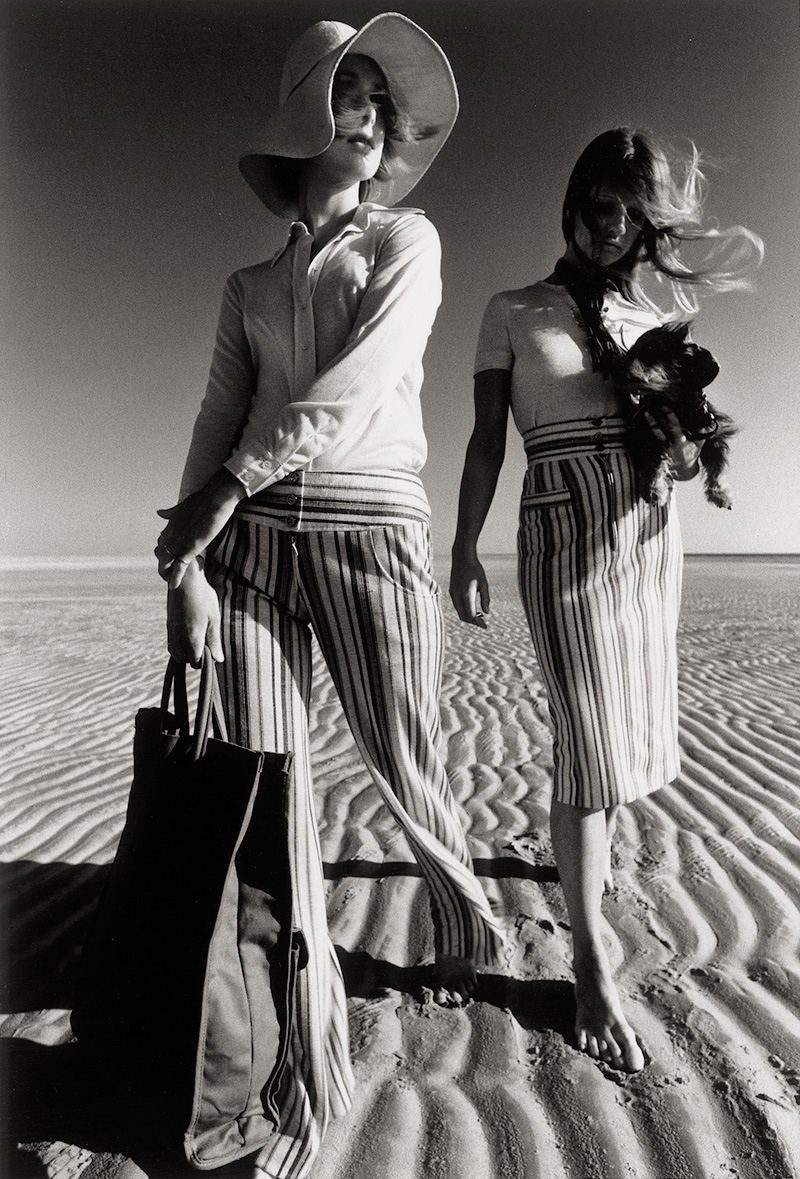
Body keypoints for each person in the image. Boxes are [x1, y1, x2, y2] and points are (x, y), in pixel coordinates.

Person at [155, 14, 503, 1179]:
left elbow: (355, 393)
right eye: (338, 93)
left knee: (404, 759)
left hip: (367, 529)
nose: (362, 112)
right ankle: (300, 1058)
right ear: (303, 120)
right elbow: (214, 417)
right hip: (247, 542)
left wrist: (226, 491)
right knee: (273, 790)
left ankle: (466, 926)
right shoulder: (244, 281)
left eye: (372, 97)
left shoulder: (409, 241)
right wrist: (188, 557)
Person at [449, 127, 761, 1073]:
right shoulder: (511, 307)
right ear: (572, 200)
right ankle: (589, 958)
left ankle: (576, 864)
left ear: (643, 224)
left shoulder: (649, 320)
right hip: (561, 526)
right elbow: (485, 443)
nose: (606, 219)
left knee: (623, 725)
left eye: (627, 207)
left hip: (648, 535)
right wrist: (463, 544)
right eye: (595, 197)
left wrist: (680, 442)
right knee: (589, 734)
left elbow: (679, 445)